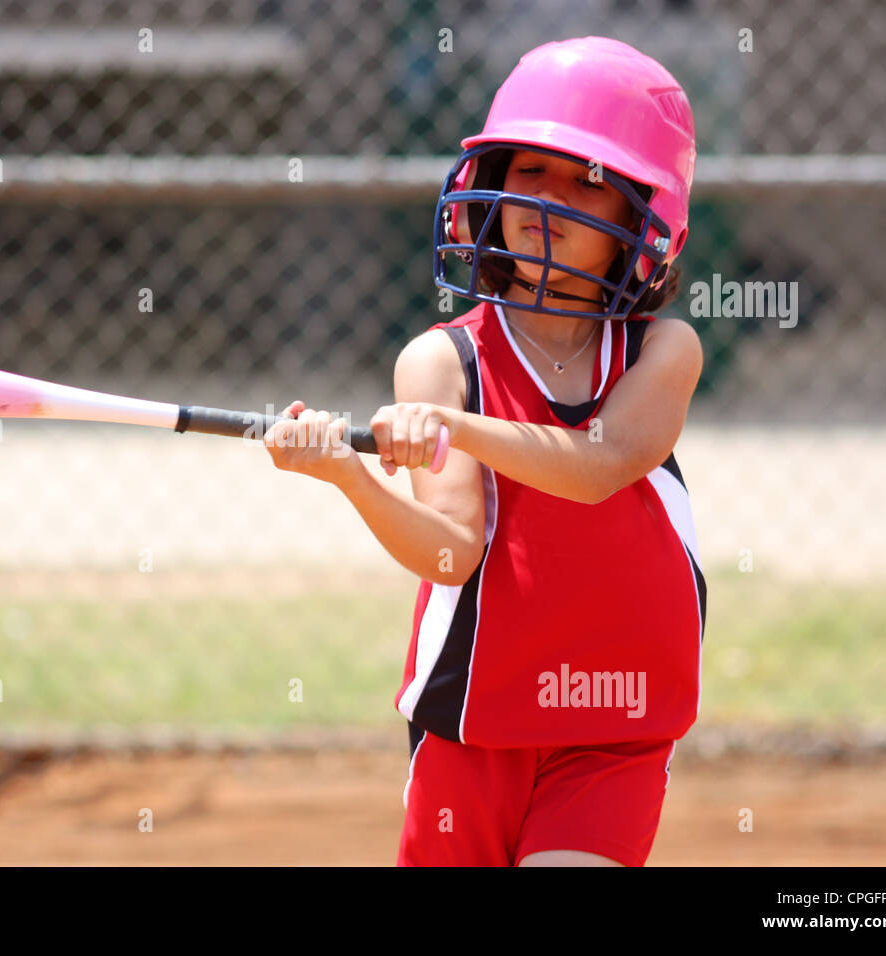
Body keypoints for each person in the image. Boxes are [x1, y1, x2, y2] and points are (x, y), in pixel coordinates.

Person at [264, 36, 706, 866]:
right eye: (529, 170)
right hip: (475, 715)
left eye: (589, 181)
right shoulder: (442, 362)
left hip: (616, 720)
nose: (548, 199)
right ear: (489, 188)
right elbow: (450, 552)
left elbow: (601, 464)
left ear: (643, 219)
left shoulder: (662, 351)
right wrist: (349, 475)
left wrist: (453, 430)